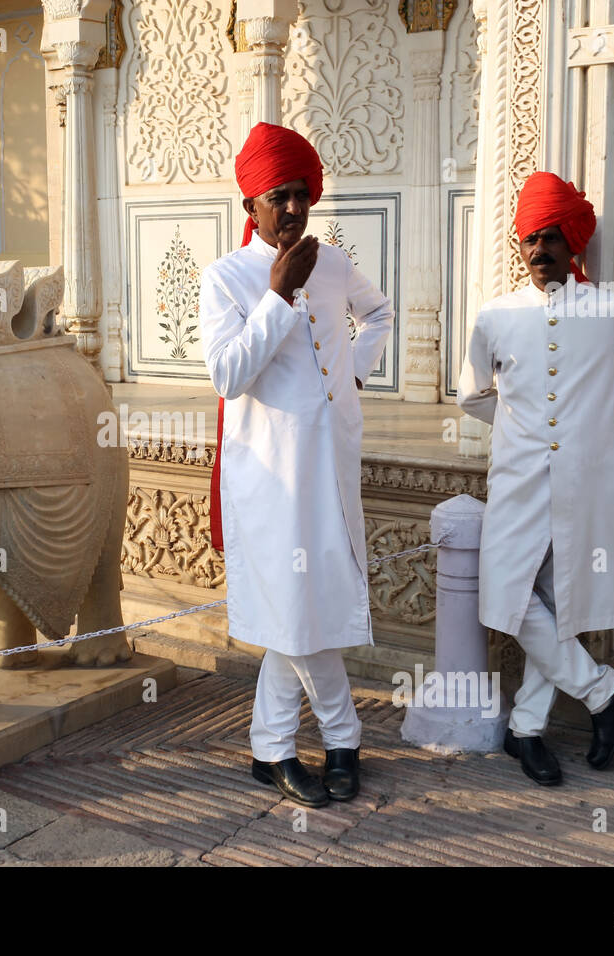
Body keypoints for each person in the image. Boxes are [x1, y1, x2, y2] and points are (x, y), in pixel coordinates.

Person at [457, 171, 614, 785]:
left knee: (559, 604)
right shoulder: (497, 314)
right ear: (519, 245)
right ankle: (604, 691)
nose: (539, 250)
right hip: (518, 479)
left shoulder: (611, 310)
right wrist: (513, 426)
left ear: (573, 244)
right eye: (530, 238)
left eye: (552, 237)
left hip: (589, 480)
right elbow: (471, 392)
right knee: (503, 592)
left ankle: (525, 731)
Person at [199, 122, 395, 807]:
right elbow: (227, 374)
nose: (291, 207)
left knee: (308, 605)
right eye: (277, 196)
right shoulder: (225, 278)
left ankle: (271, 748)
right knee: (293, 607)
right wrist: (278, 296)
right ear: (249, 206)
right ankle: (342, 737)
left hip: (332, 464)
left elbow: (380, 316)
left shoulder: (336, 264)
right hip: (270, 478)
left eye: (300, 194)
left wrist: (354, 376)